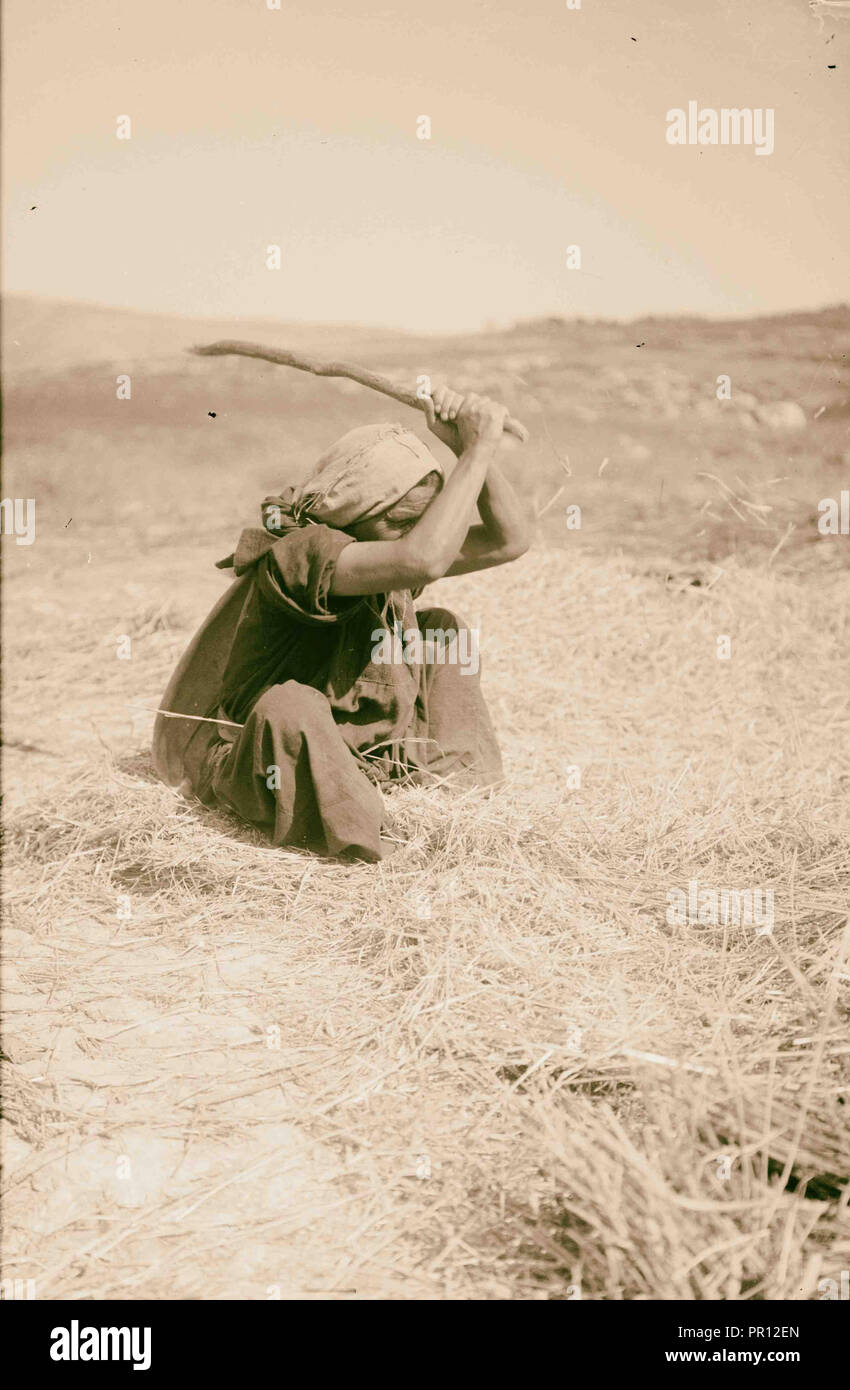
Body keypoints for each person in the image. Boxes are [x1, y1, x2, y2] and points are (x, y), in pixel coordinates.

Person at [153, 386, 529, 860]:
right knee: (289, 707)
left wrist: (467, 449)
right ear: (352, 521)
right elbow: (424, 559)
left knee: (440, 630)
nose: (420, 533)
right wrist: (477, 449)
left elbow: (508, 540)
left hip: (360, 745)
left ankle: (461, 792)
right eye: (402, 523)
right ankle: (370, 840)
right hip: (274, 761)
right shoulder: (301, 554)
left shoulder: (388, 548)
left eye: (426, 520)